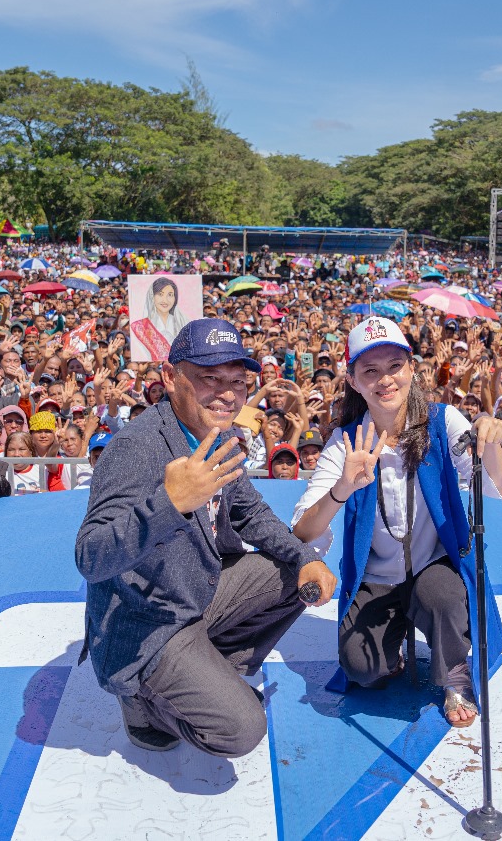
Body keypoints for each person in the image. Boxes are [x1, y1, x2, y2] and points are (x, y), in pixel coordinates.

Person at [75, 318, 335, 756]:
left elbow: (249, 512)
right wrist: (169, 504)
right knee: (241, 730)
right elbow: (90, 556)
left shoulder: (217, 435)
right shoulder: (137, 447)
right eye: (208, 378)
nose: (228, 392)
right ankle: (142, 700)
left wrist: (305, 555)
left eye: (237, 380)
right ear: (170, 378)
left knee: (295, 573)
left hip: (194, 593)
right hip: (148, 623)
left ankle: (205, 671)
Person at [291, 317, 502, 729]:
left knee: (442, 596)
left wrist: (492, 445)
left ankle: (453, 674)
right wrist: (342, 487)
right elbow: (303, 530)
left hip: (433, 565)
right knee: (360, 668)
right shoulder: (345, 441)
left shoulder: (444, 423)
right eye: (370, 371)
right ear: (354, 381)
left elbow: (497, 487)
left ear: (412, 369)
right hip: (378, 579)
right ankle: (393, 652)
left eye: (395, 366)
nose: (385, 380)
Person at [130, 276, 190, 361]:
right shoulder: (139, 327)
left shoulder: (183, 323)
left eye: (170, 295)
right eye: (160, 294)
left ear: (175, 298)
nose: (165, 300)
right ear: (152, 297)